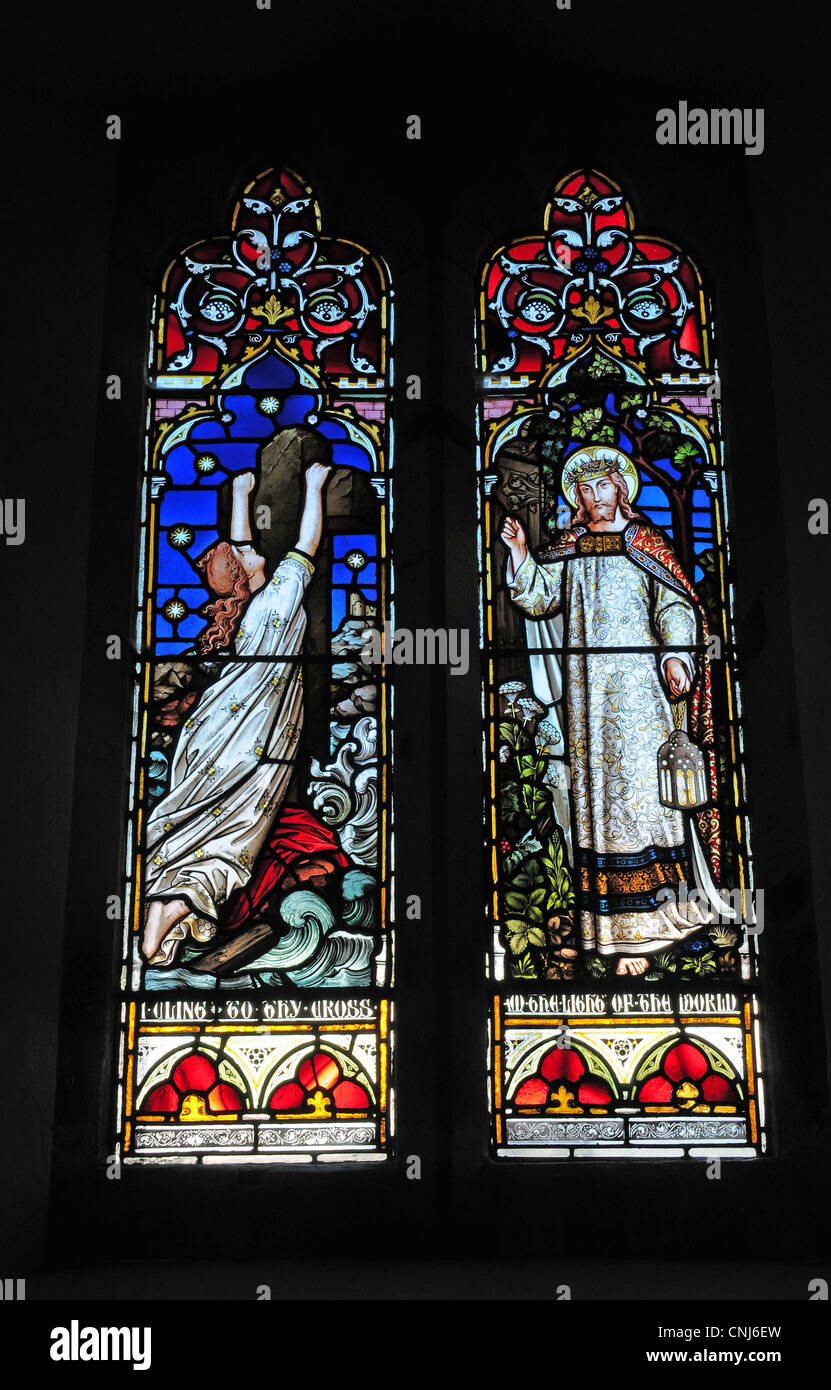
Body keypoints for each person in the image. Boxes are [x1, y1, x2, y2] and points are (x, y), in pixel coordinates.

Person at [501, 444, 731, 977]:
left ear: (620, 489)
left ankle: (667, 918)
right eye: (583, 489)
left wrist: (677, 654)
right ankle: (608, 929)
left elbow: (674, 602)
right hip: (588, 694)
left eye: (602, 485)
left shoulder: (646, 544)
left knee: (651, 795)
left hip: (643, 691)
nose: (593, 496)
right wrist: (519, 553)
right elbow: (537, 598)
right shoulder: (571, 547)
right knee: (599, 801)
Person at [142, 462, 332, 965]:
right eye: (246, 557)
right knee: (233, 831)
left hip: (208, 732)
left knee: (190, 818)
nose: (253, 552)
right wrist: (314, 487)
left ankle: (165, 906)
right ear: (248, 574)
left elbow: (240, 545)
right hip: (254, 742)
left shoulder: (241, 611)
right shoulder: (282, 597)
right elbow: (307, 542)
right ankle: (177, 908)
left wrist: (241, 493)